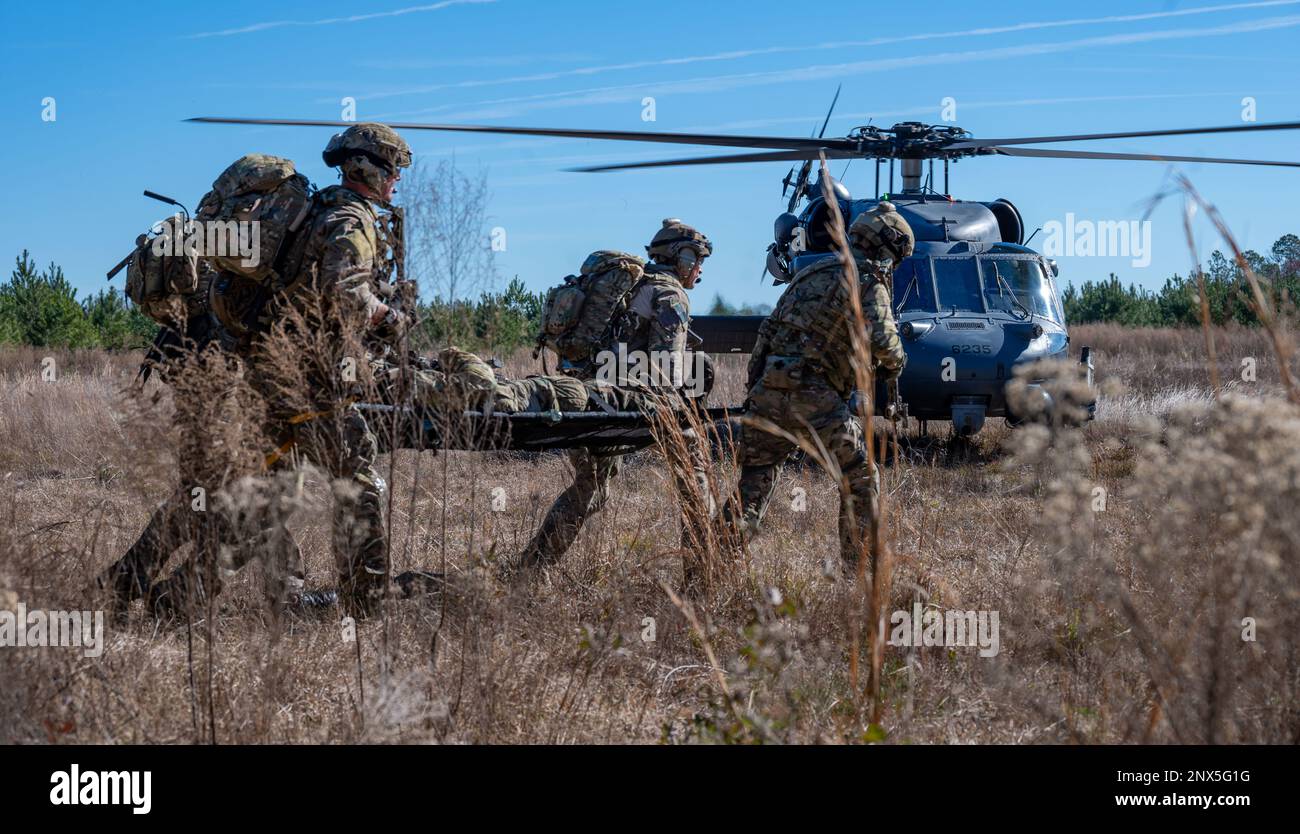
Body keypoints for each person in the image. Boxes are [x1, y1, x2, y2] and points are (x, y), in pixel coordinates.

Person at [508, 219, 714, 578]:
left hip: (584, 401)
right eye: (697, 260)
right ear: (681, 258)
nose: (699, 270)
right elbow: (664, 373)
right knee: (695, 477)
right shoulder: (671, 294)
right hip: (624, 405)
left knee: (592, 489)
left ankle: (528, 572)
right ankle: (703, 581)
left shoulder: (630, 285)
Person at [726, 202, 912, 573]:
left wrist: (757, 392)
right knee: (860, 478)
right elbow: (884, 343)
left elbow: (767, 333)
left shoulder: (810, 274)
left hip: (769, 390)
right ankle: (860, 575)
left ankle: (710, 564)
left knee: (754, 485)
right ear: (886, 248)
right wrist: (897, 365)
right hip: (817, 397)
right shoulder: (867, 281)